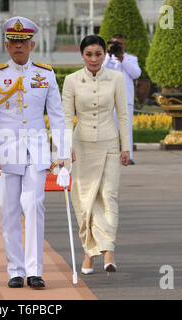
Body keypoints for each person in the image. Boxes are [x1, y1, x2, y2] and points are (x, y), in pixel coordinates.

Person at [0, 16, 70, 289]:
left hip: (36, 149)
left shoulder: (46, 73)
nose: (19, 47)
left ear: (33, 44)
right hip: (5, 152)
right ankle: (15, 270)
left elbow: (57, 115)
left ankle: (35, 270)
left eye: (23, 43)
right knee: (9, 210)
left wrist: (62, 151)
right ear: (7, 45)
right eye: (14, 42)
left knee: (34, 205)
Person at [61, 35, 130, 275]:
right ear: (82, 55)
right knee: (83, 201)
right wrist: (64, 146)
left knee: (108, 197)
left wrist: (126, 147)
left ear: (104, 55)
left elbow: (123, 115)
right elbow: (67, 117)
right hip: (81, 147)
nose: (93, 59)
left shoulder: (117, 78)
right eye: (89, 54)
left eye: (98, 54)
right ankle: (89, 253)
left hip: (109, 144)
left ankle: (108, 252)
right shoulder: (71, 81)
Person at [103, 34, 141, 164]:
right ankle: (110, 157)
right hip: (109, 100)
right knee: (109, 130)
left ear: (124, 45)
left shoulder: (131, 59)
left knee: (126, 129)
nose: (116, 46)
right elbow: (99, 70)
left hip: (125, 100)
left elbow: (136, 73)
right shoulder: (105, 59)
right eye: (114, 44)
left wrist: (122, 59)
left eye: (119, 44)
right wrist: (108, 55)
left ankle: (128, 156)